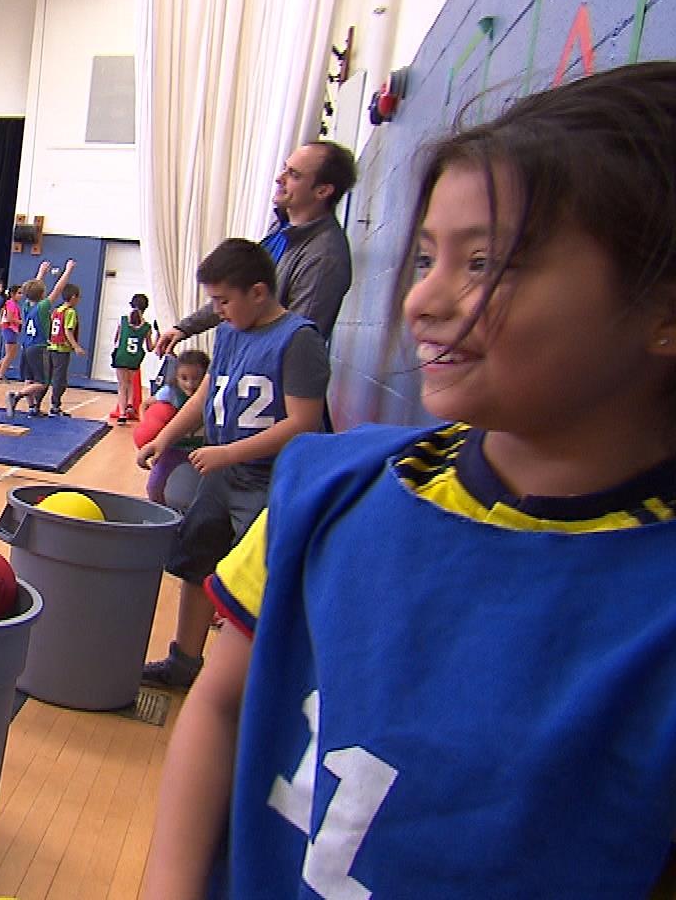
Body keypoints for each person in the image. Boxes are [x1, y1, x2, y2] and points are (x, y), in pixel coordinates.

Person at [142, 62, 676, 898]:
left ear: (660, 310)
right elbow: (219, 708)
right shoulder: (330, 491)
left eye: (486, 263)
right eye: (427, 256)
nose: (424, 299)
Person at [134, 239, 329, 690]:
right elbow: (206, 397)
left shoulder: (298, 339)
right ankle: (183, 663)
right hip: (221, 476)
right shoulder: (228, 333)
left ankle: (253, 687)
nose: (217, 310)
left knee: (257, 582)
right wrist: (165, 437)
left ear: (258, 292)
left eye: (224, 300)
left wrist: (228, 452)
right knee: (197, 559)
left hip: (268, 481)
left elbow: (302, 423)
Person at [157, 139, 357, 356]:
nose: (280, 179)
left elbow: (299, 345)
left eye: (294, 175)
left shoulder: (324, 257)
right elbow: (234, 292)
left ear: (323, 191)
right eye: (284, 169)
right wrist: (185, 327)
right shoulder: (280, 228)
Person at [3, 260, 73, 416]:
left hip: (26, 346)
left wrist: (41, 272)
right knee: (42, 382)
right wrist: (67, 271)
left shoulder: (27, 305)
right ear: (42, 294)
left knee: (29, 378)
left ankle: (32, 408)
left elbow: (32, 289)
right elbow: (58, 288)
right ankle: (17, 396)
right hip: (38, 347)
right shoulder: (43, 307)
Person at [141, 350, 209, 506]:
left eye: (196, 378)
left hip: (199, 450)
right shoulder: (170, 393)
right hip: (171, 448)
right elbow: (145, 404)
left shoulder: (210, 393)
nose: (190, 384)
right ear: (176, 377)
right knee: (155, 486)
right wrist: (147, 425)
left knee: (202, 490)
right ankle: (158, 509)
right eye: (184, 378)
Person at [108, 293, 157, 423]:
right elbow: (150, 348)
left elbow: (116, 340)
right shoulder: (147, 327)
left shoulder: (123, 319)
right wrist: (158, 335)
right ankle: (130, 404)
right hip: (135, 358)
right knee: (130, 383)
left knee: (122, 385)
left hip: (121, 355)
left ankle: (122, 413)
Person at [41, 283, 85, 418]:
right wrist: (76, 346)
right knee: (60, 379)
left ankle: (36, 404)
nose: (78, 300)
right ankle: (55, 406)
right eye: (78, 297)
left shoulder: (56, 310)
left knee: (46, 378)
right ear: (73, 297)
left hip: (50, 347)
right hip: (61, 349)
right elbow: (68, 330)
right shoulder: (70, 312)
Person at [0, 279, 22, 383]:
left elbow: (2, 313)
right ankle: (0, 375)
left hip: (12, 330)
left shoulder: (13, 304)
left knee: (12, 353)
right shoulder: (10, 303)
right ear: (12, 294)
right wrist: (21, 322)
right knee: (10, 354)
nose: (21, 295)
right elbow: (9, 318)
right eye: (19, 293)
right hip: (9, 329)